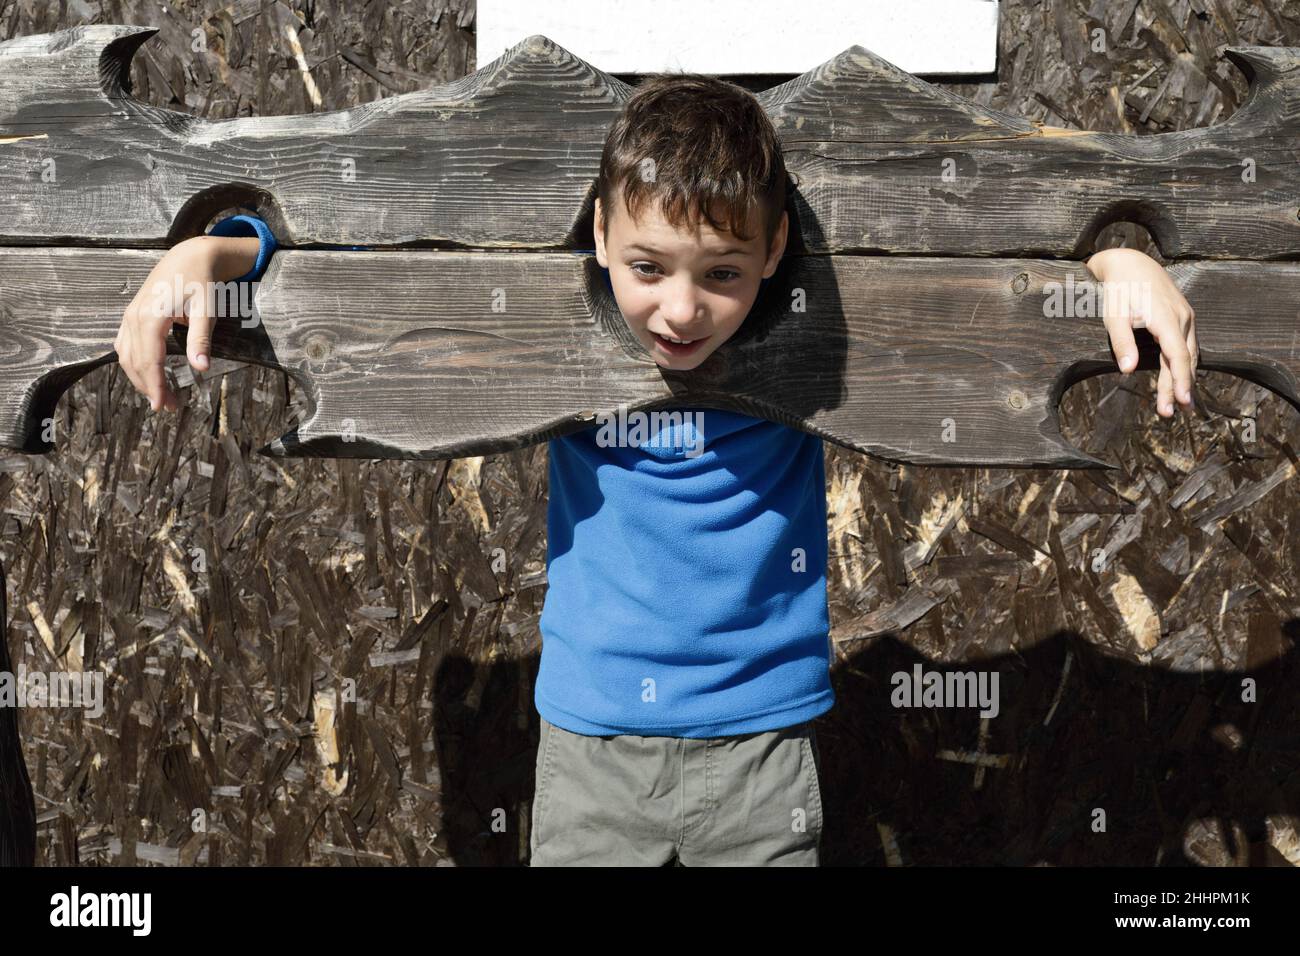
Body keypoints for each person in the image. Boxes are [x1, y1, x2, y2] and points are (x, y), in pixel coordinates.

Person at [113, 74, 1199, 866]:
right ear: (592, 238)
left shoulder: (808, 334)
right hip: (592, 746)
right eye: (646, 269)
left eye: (722, 274)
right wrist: (211, 248)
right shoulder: (560, 329)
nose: (680, 311)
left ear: (776, 255)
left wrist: (1116, 255)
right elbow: (317, 246)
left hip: (761, 745)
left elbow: (1025, 243)